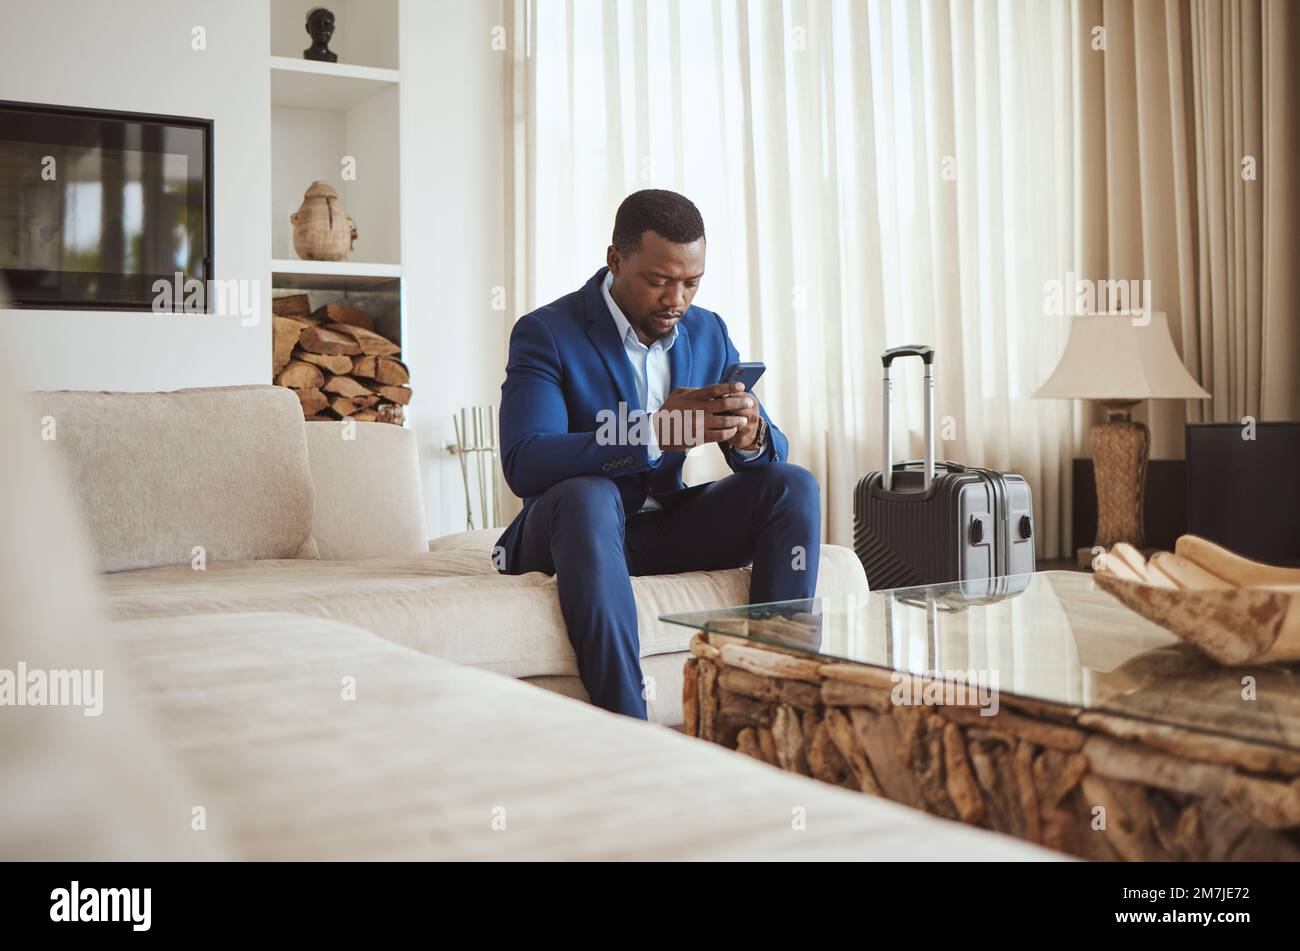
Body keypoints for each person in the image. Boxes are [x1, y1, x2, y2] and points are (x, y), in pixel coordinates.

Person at [494, 189, 820, 718]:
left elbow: (768, 452)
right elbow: (526, 460)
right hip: (567, 531)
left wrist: (749, 436)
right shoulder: (547, 333)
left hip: (659, 528)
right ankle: (629, 724)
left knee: (794, 485)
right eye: (658, 281)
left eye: (691, 283)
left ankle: (773, 710)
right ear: (615, 260)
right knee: (588, 494)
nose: (677, 300)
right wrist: (648, 432)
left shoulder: (707, 330)